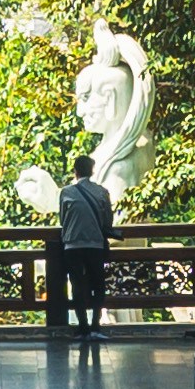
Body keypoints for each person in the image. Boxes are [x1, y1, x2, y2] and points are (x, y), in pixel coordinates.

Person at [58, 145, 113, 352]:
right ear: (92, 171)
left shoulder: (66, 193)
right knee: (98, 285)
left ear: (75, 171)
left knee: (77, 285)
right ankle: (95, 326)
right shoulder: (101, 192)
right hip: (96, 244)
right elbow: (108, 219)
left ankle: (82, 329)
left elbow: (63, 219)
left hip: (72, 245)